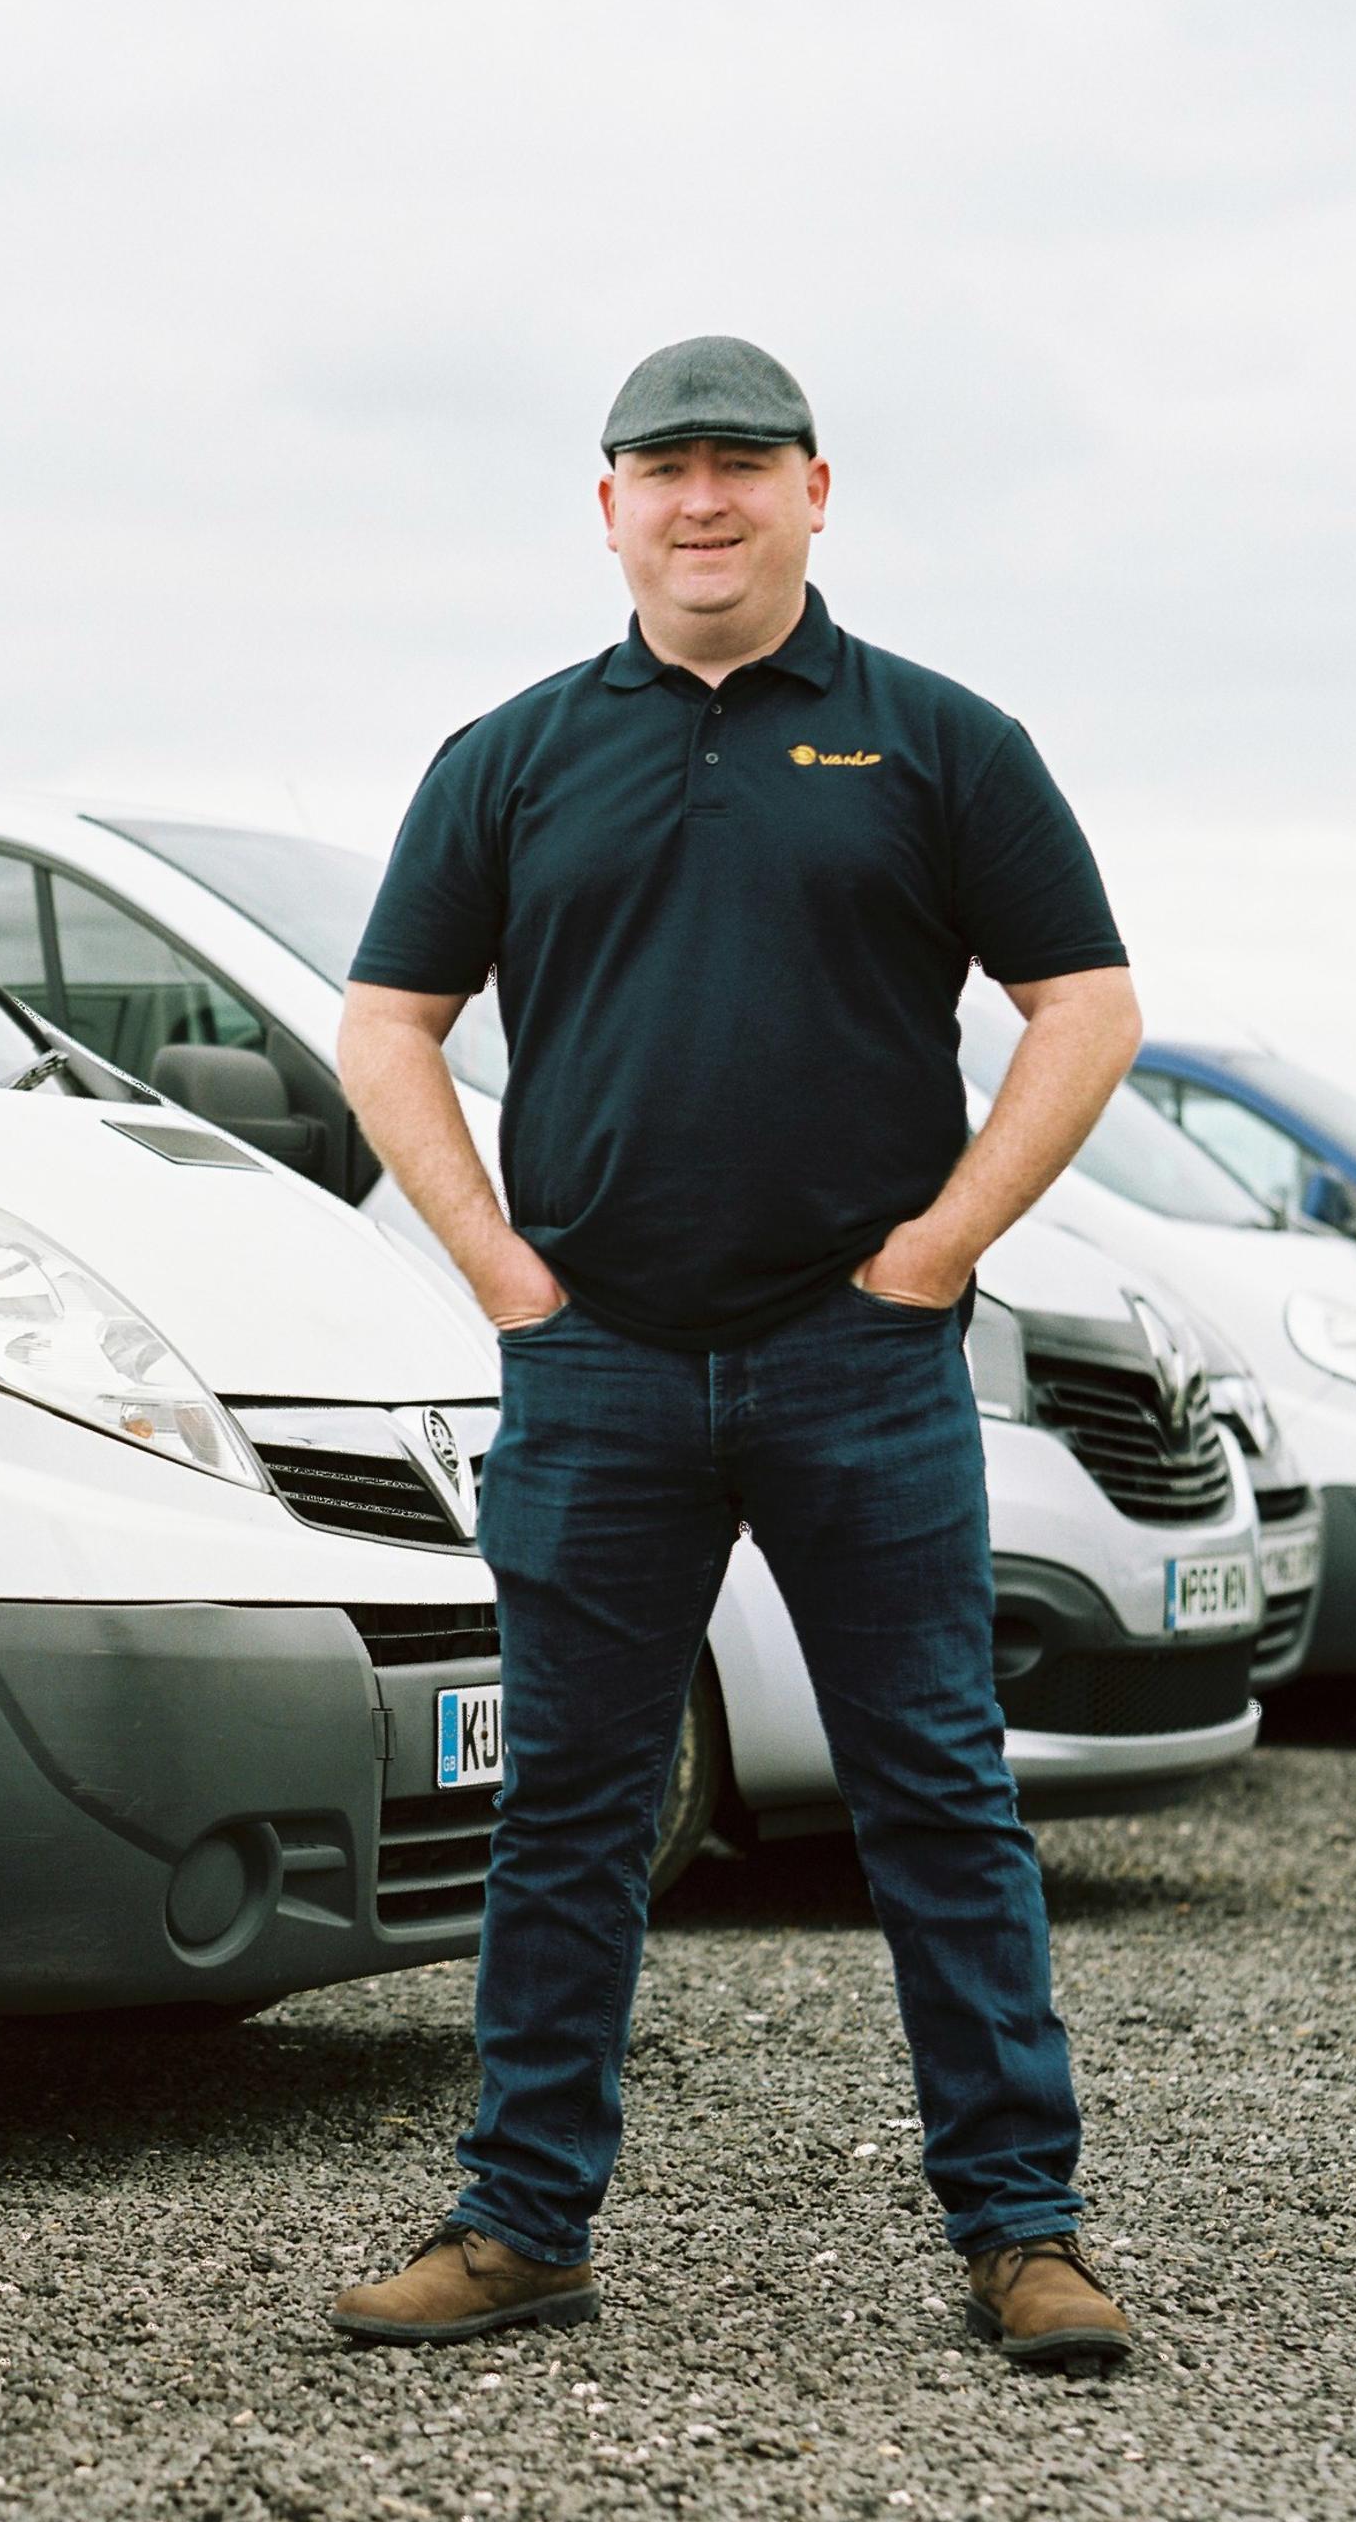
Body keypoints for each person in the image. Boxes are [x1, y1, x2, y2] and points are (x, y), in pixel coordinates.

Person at [329, 334, 1142, 2370]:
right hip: (596, 1362)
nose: (704, 501)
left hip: (857, 1364)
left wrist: (941, 1248)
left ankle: (1022, 2232)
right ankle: (524, 2220)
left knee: (937, 1795)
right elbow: (386, 1025)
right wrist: (503, 1272)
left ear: (815, 490)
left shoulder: (940, 743)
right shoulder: (511, 757)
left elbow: (1087, 1003)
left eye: (742, 466)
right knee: (573, 1805)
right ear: (608, 504)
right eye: (663, 468)